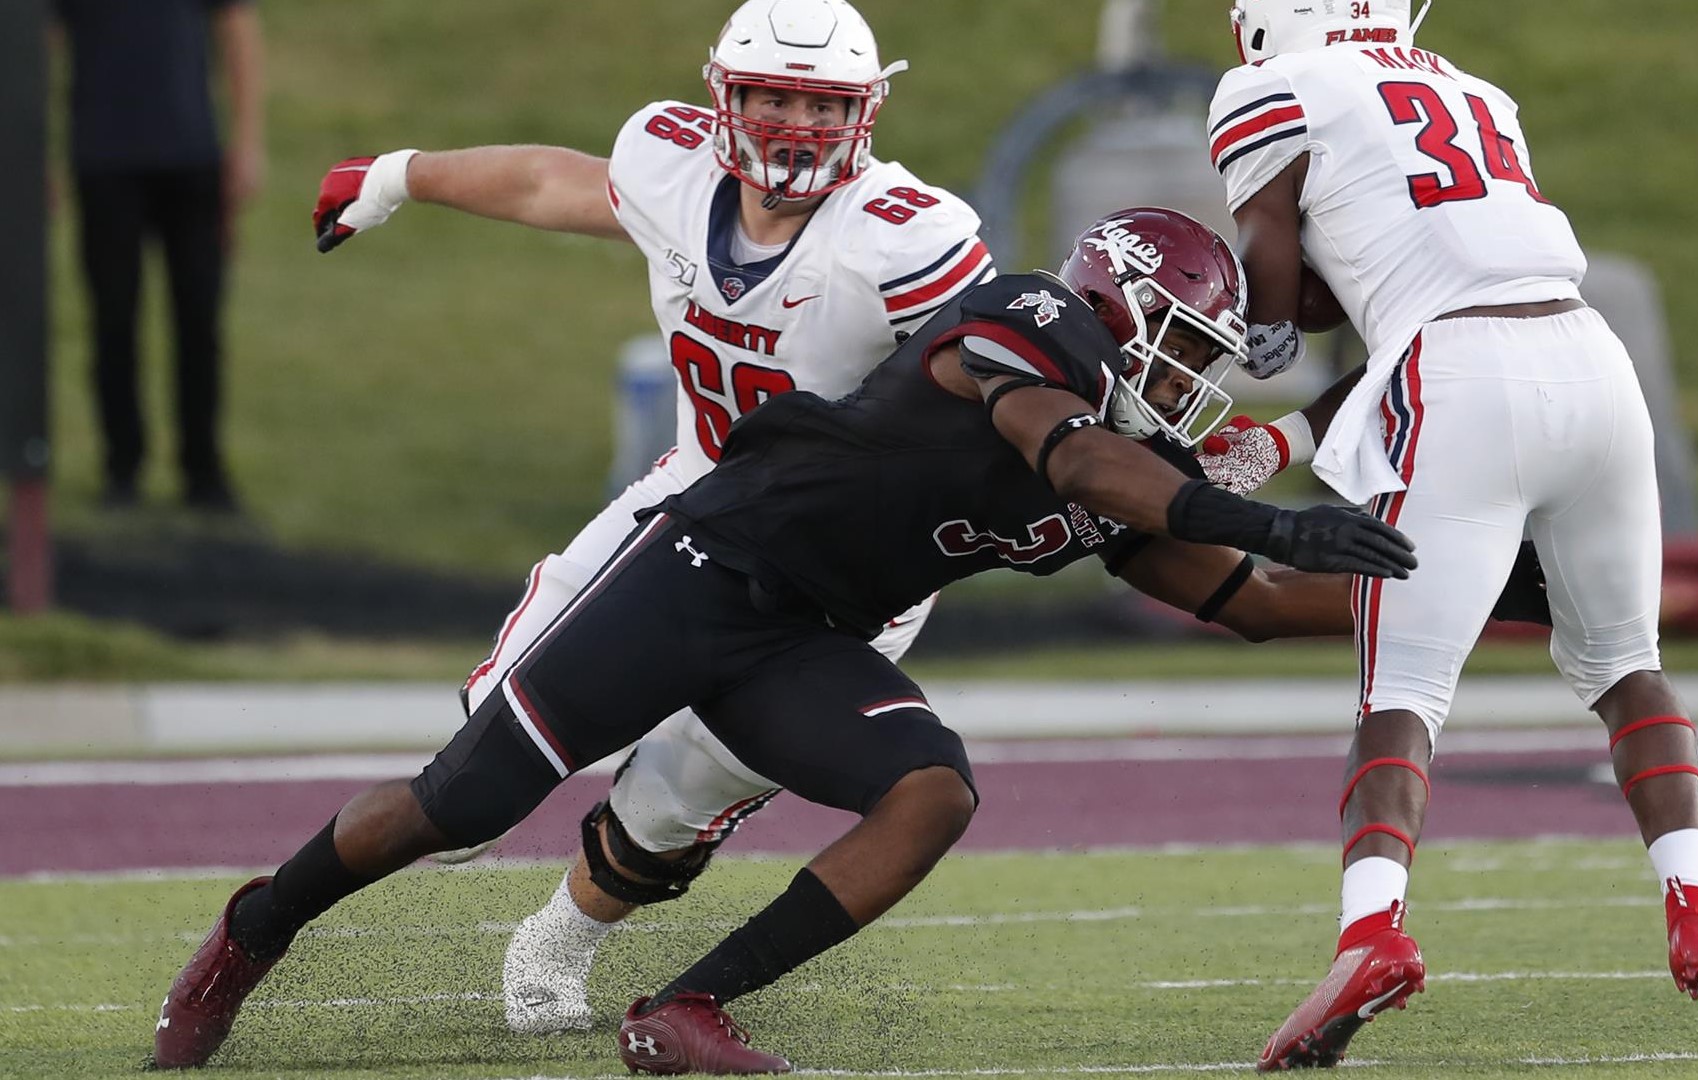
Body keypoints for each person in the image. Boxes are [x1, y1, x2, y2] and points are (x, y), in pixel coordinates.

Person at [151, 207, 1429, 1073]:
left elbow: (1249, 601)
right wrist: (1262, 510)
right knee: (461, 805)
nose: (1195, 378)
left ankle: (683, 1009)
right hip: (706, 572)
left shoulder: (1132, 460)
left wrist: (1467, 597)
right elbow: (1073, 455)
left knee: (931, 791)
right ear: (1114, 302)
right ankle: (258, 927)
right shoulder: (1035, 319)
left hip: (807, 636)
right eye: (1187, 345)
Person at [309, 0, 999, 1034]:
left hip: (842, 574)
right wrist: (402, 172)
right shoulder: (672, 166)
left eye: (821, 105)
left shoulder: (904, 237)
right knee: (473, 779)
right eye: (773, 98)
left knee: (671, 802)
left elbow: (1010, 376)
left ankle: (560, 939)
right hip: (691, 501)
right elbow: (550, 183)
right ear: (724, 94)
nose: (796, 126)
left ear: (864, 111)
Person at [1196, 1, 1698, 1069]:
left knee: (1401, 695)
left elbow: (1288, 277)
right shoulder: (1474, 89)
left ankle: (1371, 935)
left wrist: (1261, 331)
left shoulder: (1270, 86)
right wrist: (1281, 438)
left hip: (1461, 384)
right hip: (1590, 359)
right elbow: (1444, 297)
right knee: (1629, 666)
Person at [52, 0, 264, 512]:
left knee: (199, 318)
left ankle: (203, 471)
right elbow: (42, 46)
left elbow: (237, 26)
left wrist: (247, 141)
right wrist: (37, 151)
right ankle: (122, 469)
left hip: (192, 155)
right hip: (103, 159)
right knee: (113, 318)